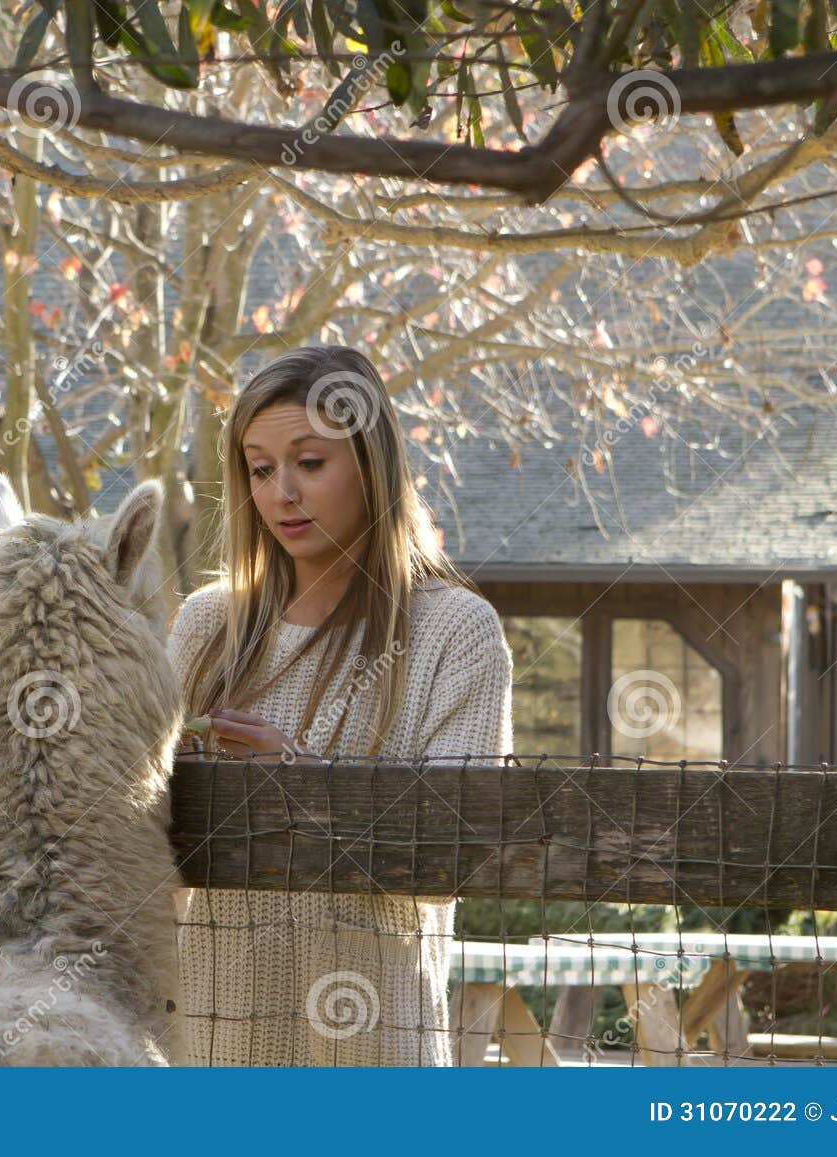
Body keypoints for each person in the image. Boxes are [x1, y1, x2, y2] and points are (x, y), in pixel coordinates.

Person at [169, 345, 513, 1065]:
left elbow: (452, 858)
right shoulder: (205, 628)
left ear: (371, 462)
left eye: (310, 463)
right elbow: (140, 864)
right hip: (205, 1050)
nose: (280, 493)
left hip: (376, 1057)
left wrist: (300, 784)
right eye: (260, 469)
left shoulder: (456, 633)